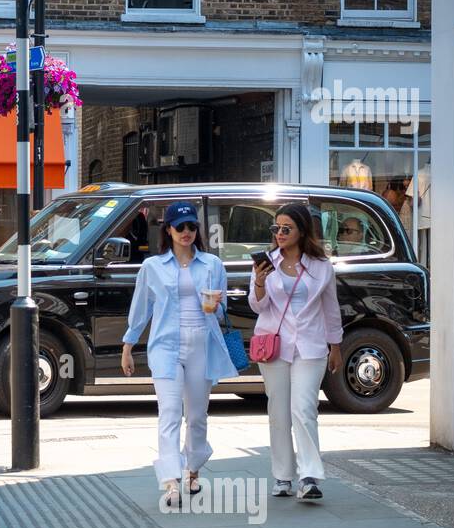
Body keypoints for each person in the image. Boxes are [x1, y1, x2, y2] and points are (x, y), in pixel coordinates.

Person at [122, 202, 238, 507]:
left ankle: (193, 468)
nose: (186, 232)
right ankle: (171, 480)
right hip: (165, 346)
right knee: (170, 413)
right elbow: (141, 308)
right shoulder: (152, 267)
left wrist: (216, 305)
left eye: (191, 227)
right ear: (168, 230)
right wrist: (128, 345)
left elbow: (223, 305)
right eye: (180, 227)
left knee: (197, 416)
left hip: (202, 342)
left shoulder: (213, 264)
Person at [249, 203, 344, 500]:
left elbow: (331, 309)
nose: (279, 233)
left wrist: (336, 345)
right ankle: (282, 477)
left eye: (286, 228)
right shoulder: (268, 264)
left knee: (304, 409)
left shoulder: (321, 267)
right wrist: (260, 283)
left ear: (302, 231)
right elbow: (257, 305)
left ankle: (310, 476)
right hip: (275, 347)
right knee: (278, 412)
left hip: (310, 346)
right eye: (276, 228)